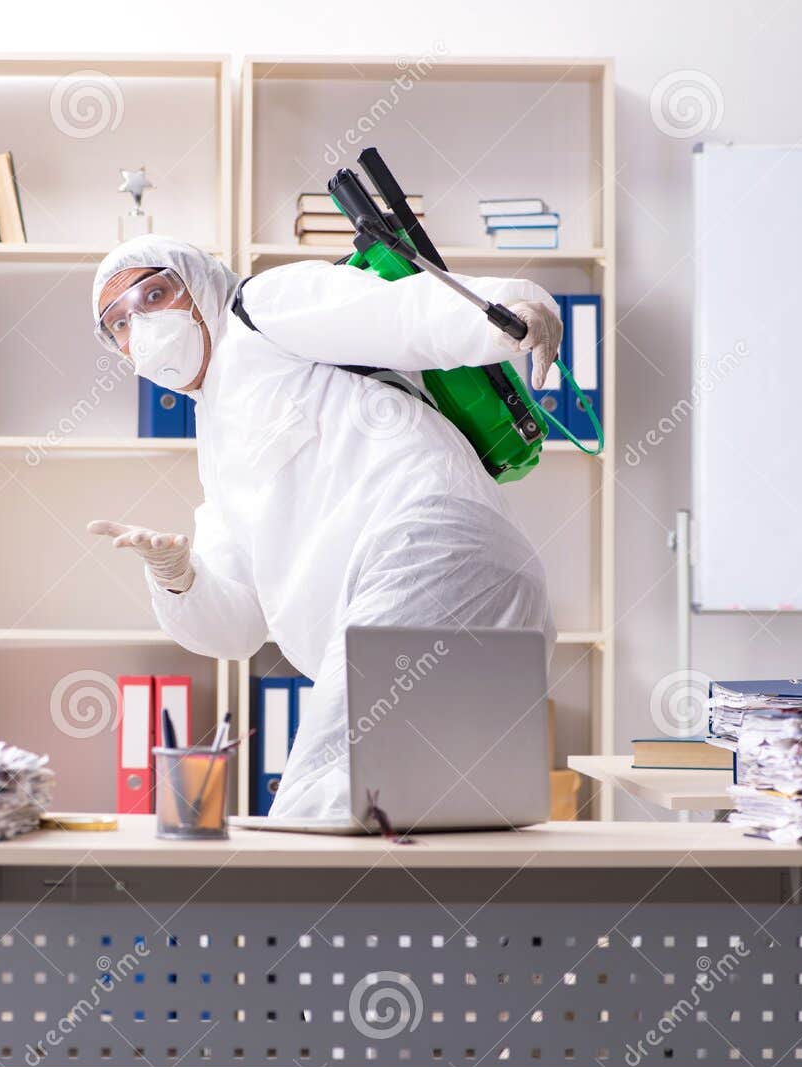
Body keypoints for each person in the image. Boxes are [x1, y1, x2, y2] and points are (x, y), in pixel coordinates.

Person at [88, 235, 558, 819]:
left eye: (154, 295)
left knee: (319, 810)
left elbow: (400, 312)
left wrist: (510, 310)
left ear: (201, 284)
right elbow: (238, 629)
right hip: (457, 580)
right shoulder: (218, 449)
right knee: (442, 823)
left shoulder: (258, 309)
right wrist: (178, 579)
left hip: (427, 551)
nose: (142, 326)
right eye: (120, 325)